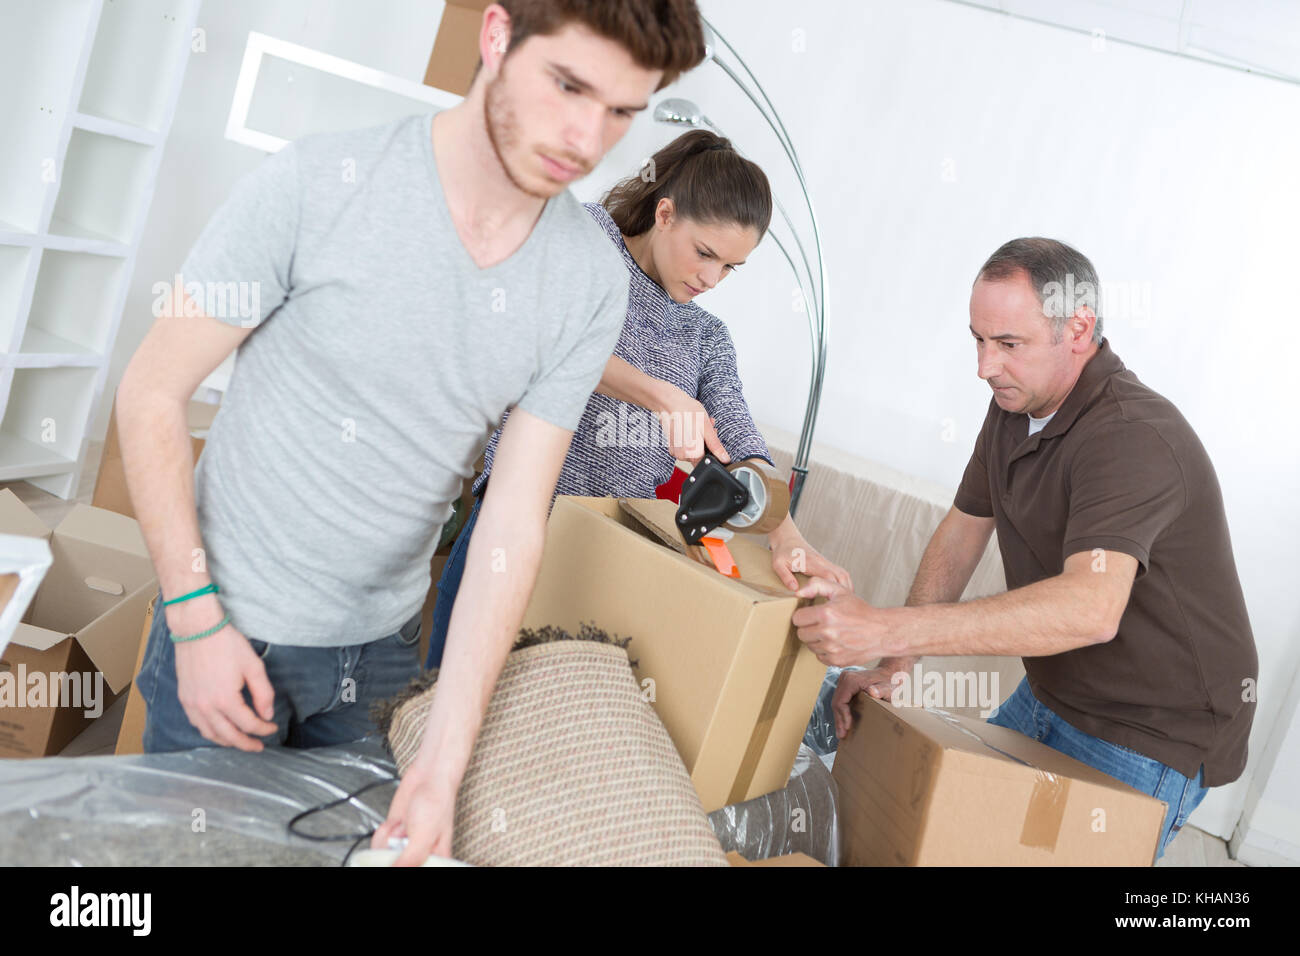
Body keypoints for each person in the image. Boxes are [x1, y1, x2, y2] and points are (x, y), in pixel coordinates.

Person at [115, 0, 707, 866]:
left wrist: (444, 760)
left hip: (385, 658)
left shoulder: (584, 281)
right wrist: (197, 622)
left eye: (620, 110)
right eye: (568, 85)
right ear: (498, 36)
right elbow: (151, 391)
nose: (587, 137)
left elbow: (512, 518)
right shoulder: (320, 183)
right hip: (231, 626)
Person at [794, 238, 1257, 860]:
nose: (984, 366)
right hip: (1048, 692)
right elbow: (964, 528)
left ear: (1079, 329)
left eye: (1008, 344)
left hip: (1148, 729)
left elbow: (1090, 609)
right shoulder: (1016, 404)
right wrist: (896, 661)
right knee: (956, 846)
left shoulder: (1132, 437)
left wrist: (883, 629)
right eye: (978, 340)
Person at [426, 128, 851, 669]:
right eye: (705, 254)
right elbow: (542, 337)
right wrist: (661, 396)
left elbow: (740, 439)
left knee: (534, 736)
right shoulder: (583, 238)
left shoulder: (706, 337)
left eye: (730, 268)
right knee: (443, 701)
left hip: (607, 553)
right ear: (665, 214)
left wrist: (784, 534)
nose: (712, 278)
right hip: (514, 523)